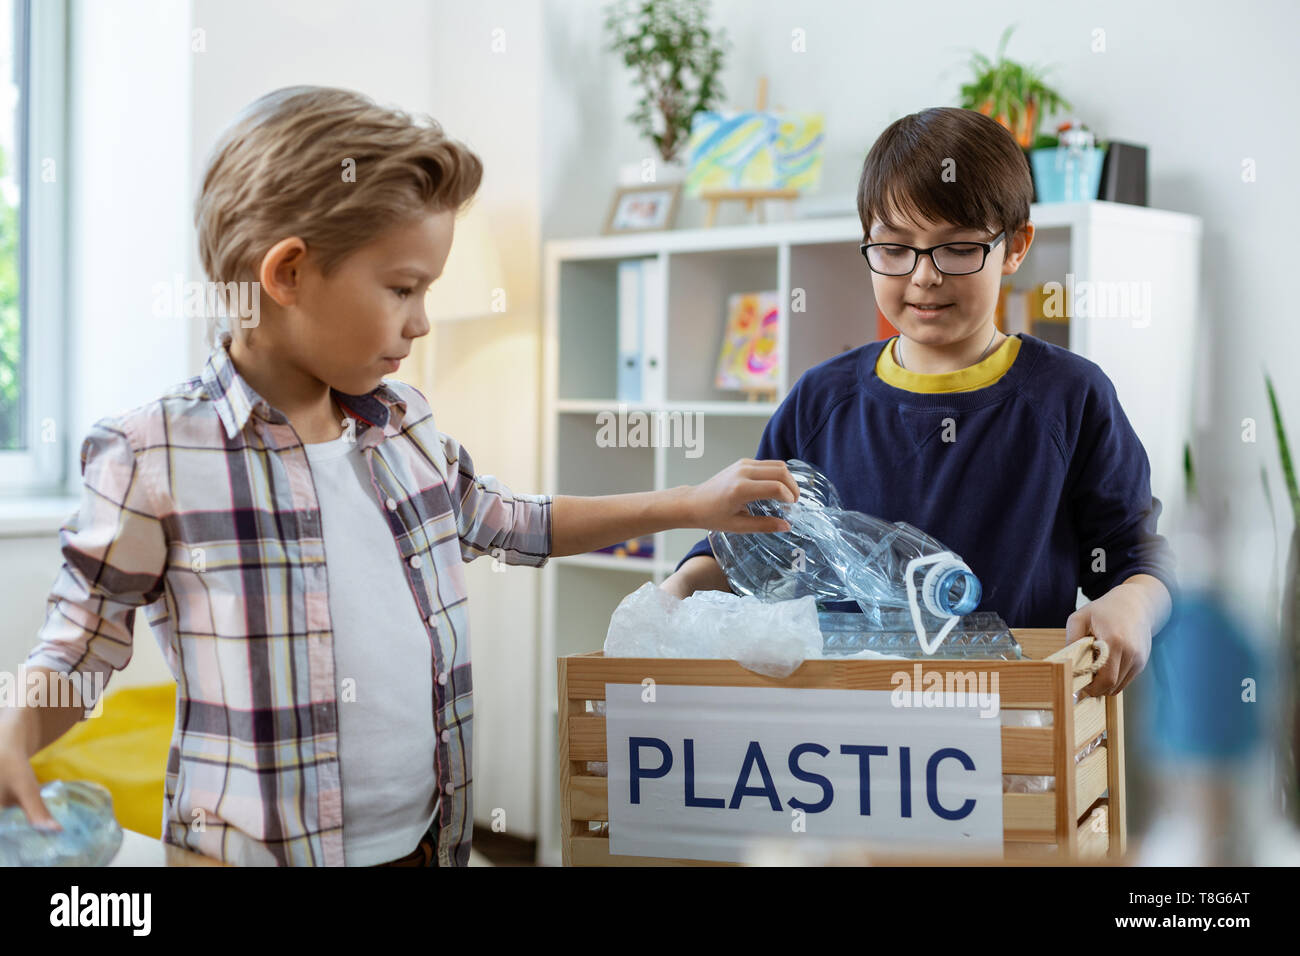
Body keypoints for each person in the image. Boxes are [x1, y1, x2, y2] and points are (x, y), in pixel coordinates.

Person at [0, 86, 799, 867]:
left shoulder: (403, 424)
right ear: (286, 274)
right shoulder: (158, 453)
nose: (420, 320)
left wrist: (692, 502)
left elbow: (516, 522)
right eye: (402, 288)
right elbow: (80, 647)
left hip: (426, 841)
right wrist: (16, 731)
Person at [661, 106, 1176, 700]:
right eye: (895, 248)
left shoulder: (1069, 397)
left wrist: (1133, 601)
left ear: (1015, 247)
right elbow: (746, 545)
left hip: (1013, 733)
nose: (924, 276)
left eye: (957, 248)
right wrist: (676, 592)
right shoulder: (819, 401)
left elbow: (1139, 559)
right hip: (846, 734)